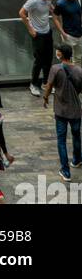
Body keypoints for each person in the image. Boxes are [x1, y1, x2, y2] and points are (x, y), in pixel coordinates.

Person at [43, 43, 82, 181]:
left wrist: (45, 98)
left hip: (61, 111)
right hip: (76, 110)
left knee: (61, 140)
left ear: (60, 54)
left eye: (58, 52)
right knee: (76, 136)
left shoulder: (55, 69)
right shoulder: (78, 70)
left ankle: (65, 171)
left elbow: (48, 86)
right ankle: (77, 159)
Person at [20, 0, 59, 96]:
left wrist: (53, 9)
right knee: (39, 60)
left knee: (48, 59)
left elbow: (50, 6)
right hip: (38, 34)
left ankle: (46, 83)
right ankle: (33, 84)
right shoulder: (33, 0)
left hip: (47, 31)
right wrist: (30, 29)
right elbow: (22, 13)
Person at [54, 0, 82, 64]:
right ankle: (67, 74)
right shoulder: (61, 3)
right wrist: (62, 33)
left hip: (80, 34)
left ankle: (77, 75)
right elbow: (55, 18)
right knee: (67, 57)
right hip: (68, 34)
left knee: (79, 57)